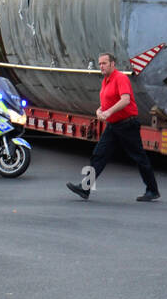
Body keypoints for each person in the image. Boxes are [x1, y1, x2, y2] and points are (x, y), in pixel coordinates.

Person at [67, 52, 161, 203]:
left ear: (112, 64)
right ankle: (85, 188)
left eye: (104, 63)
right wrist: (100, 110)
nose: (101, 66)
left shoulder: (121, 78)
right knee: (99, 155)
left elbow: (125, 100)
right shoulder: (106, 81)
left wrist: (109, 112)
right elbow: (107, 101)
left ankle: (152, 190)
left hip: (127, 125)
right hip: (113, 126)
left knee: (139, 157)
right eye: (100, 64)